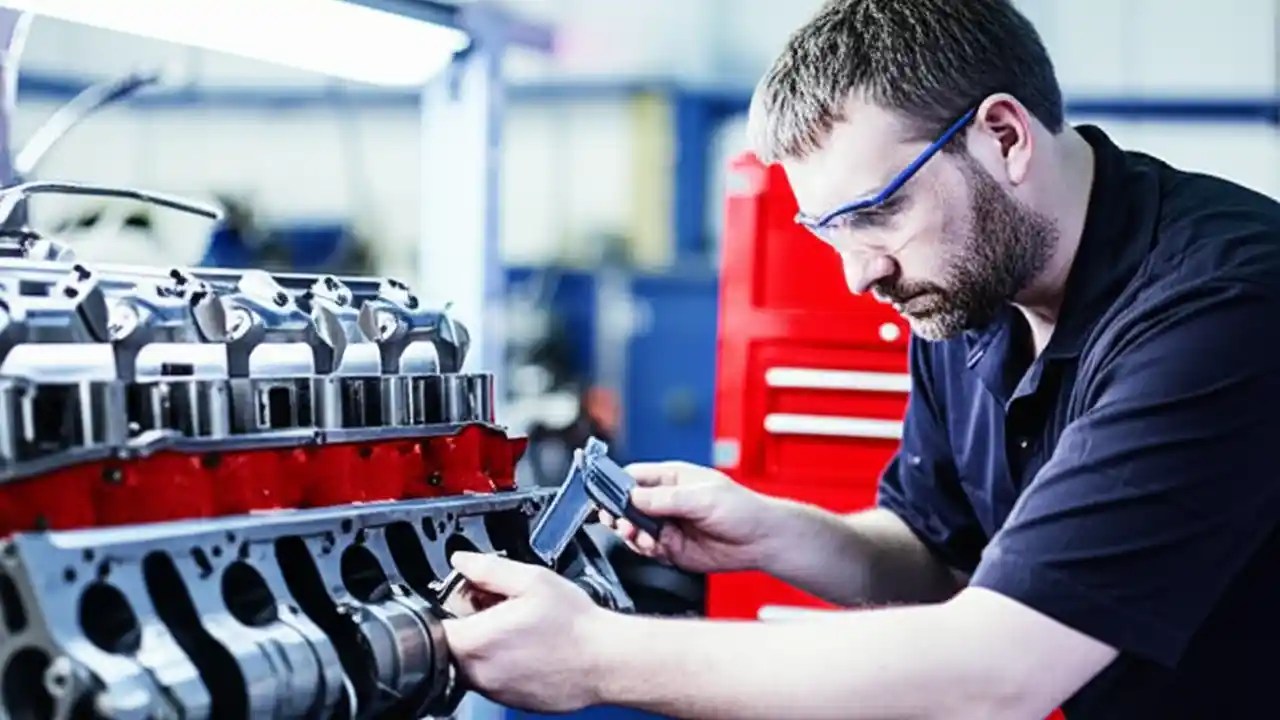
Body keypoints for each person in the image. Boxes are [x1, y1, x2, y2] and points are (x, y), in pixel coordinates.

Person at [439, 0, 1280, 717]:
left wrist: (596, 655)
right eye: (829, 229)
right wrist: (775, 533)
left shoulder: (1225, 303)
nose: (859, 273)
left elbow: (1001, 670)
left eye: (878, 211)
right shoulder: (972, 291)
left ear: (1003, 136)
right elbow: (945, 558)